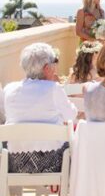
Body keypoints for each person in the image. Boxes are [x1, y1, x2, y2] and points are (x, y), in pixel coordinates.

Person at [0, 43, 77, 173]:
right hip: (51, 163)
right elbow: (71, 115)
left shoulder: (9, 89)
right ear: (47, 68)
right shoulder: (54, 89)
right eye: (54, 62)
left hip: (16, 164)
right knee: (73, 143)